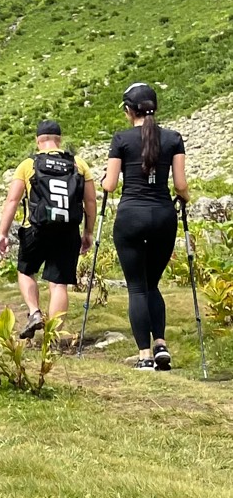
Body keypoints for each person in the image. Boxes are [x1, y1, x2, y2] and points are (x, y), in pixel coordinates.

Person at [102, 81, 187, 369]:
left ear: (129, 110)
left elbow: (111, 185)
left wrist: (102, 180)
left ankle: (144, 356)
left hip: (131, 217)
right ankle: (160, 343)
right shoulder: (173, 138)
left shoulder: (121, 140)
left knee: (137, 287)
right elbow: (181, 185)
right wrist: (184, 198)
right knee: (153, 284)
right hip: (163, 216)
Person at [0, 119, 96, 338]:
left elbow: (12, 200)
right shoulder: (78, 164)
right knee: (59, 283)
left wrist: (2, 233)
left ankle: (34, 312)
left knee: (25, 271)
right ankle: (52, 336)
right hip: (68, 230)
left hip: (37, 228)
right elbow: (90, 202)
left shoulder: (28, 164)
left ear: (38, 141)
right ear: (59, 140)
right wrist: (88, 232)